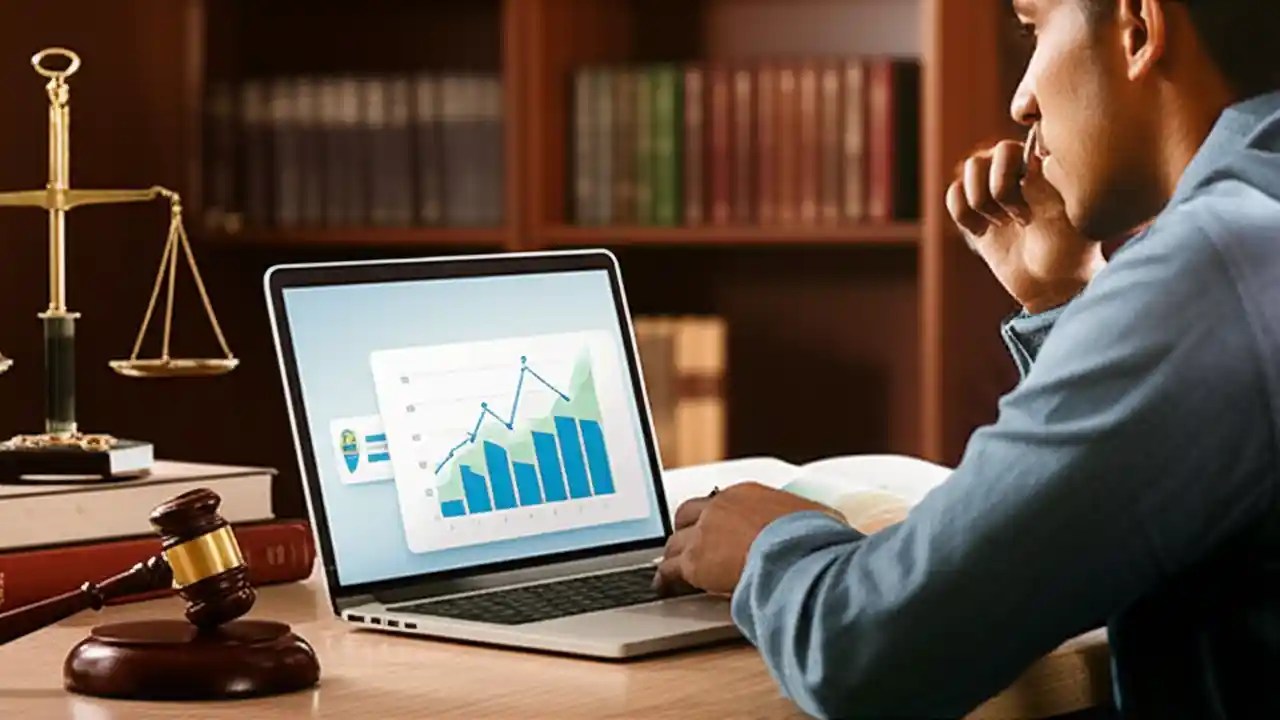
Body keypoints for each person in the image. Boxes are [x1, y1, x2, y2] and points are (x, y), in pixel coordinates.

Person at [652, 0, 1280, 717]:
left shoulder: (1211, 268)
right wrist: (1061, 307)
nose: (1021, 100)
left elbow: (871, 654)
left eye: (1033, 28)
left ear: (1138, 28)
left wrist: (767, 544)